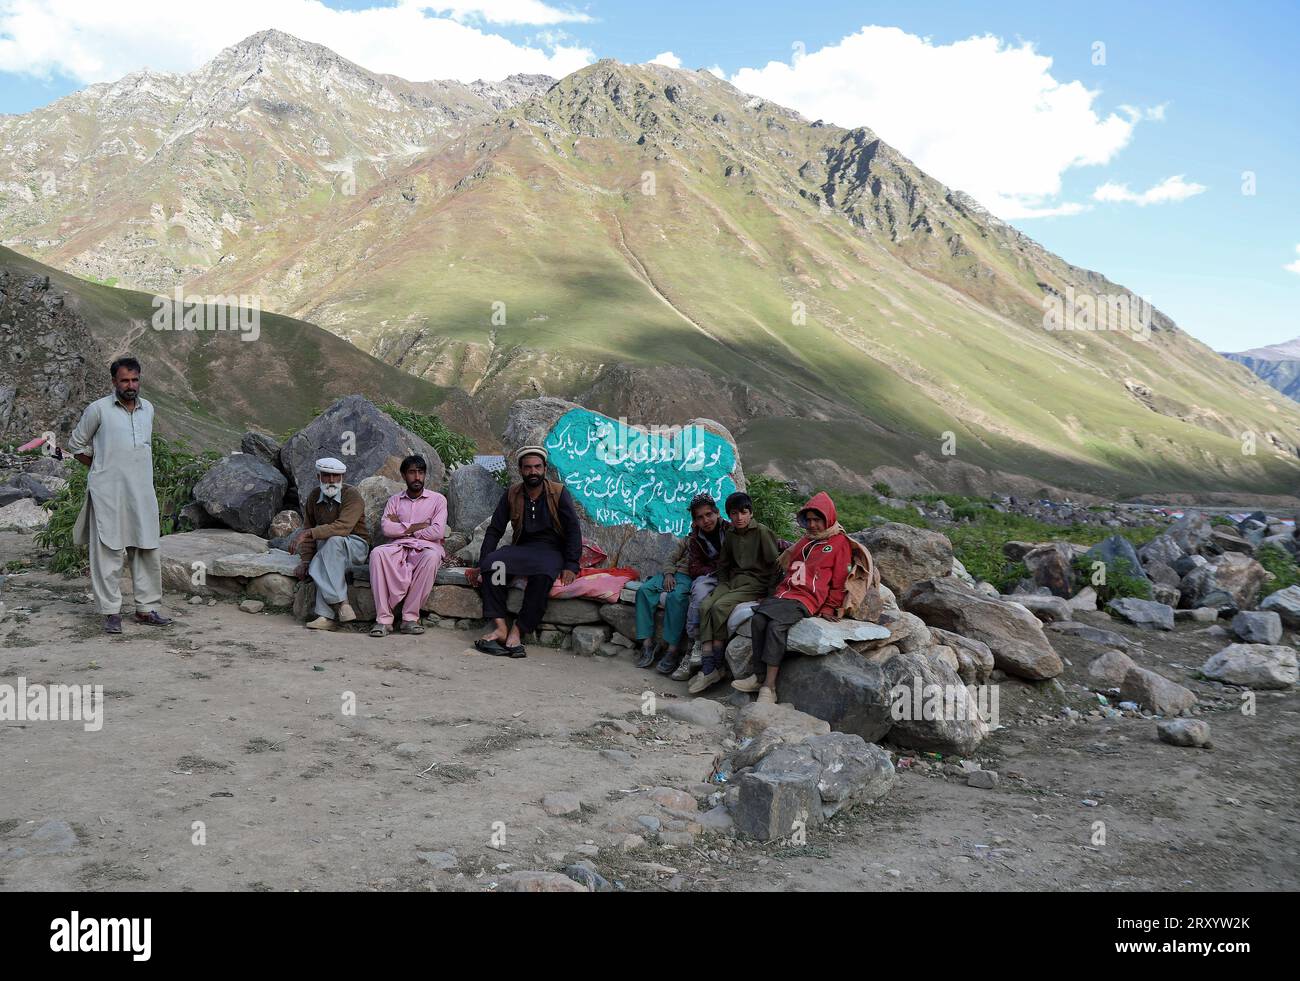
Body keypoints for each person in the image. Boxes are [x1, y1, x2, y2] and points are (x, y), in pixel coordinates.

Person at [67, 356, 174, 634]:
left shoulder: (148, 409)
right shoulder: (98, 410)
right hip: (108, 493)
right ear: (114, 381)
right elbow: (76, 443)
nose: (130, 385)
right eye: (124, 380)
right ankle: (111, 612)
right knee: (108, 551)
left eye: (135, 380)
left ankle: (146, 609)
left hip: (141, 492)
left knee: (146, 548)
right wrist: (100, 466)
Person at [732, 492, 854, 704]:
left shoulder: (838, 543)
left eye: (818, 520)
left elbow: (840, 579)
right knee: (759, 619)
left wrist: (831, 606)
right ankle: (758, 677)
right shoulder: (805, 541)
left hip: (807, 599)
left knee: (775, 627)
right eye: (809, 520)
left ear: (829, 518)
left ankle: (769, 688)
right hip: (785, 593)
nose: (813, 525)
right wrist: (772, 594)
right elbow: (787, 570)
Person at [465, 445, 581, 658]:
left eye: (537, 467)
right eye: (528, 468)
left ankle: (518, 630)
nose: (533, 472)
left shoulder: (559, 492)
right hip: (522, 549)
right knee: (493, 566)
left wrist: (571, 565)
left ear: (545, 468)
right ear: (520, 470)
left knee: (542, 575)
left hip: (551, 551)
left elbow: (573, 529)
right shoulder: (512, 494)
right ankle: (500, 625)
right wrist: (483, 562)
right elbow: (495, 529)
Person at [689, 491, 782, 694]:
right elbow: (724, 563)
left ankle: (713, 667)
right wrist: (722, 584)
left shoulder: (762, 532)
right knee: (706, 605)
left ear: (750, 513)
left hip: (755, 583)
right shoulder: (731, 533)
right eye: (734, 513)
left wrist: (770, 593)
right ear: (728, 515)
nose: (739, 517)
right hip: (732, 581)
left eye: (743, 512)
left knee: (719, 607)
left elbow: (776, 565)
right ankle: (709, 668)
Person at [633, 493, 726, 672]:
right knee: (644, 590)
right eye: (700, 518)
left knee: (676, 597)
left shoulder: (723, 536)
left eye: (708, 515)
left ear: (717, 513)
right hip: (672, 574)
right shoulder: (690, 538)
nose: (705, 520)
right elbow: (671, 558)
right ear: (695, 521)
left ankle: (673, 650)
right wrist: (668, 574)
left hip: (690, 577)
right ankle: (647, 644)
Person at [288, 457, 370, 631]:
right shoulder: (313, 497)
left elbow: (343, 527)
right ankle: (341, 606)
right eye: (327, 476)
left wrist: (310, 533)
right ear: (319, 477)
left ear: (342, 477)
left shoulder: (351, 495)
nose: (332, 481)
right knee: (322, 556)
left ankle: (327, 613)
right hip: (328, 549)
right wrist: (305, 561)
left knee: (331, 542)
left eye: (336, 476)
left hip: (355, 547)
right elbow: (309, 529)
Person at [368, 455, 446, 637]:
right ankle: (383, 620)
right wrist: (419, 526)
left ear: (425, 475)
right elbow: (387, 528)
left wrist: (402, 527)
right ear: (404, 475)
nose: (417, 477)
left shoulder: (438, 500)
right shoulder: (395, 500)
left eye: (420, 472)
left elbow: (437, 532)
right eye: (412, 472)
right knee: (377, 554)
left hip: (426, 547)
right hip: (399, 547)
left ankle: (410, 619)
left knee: (432, 557)